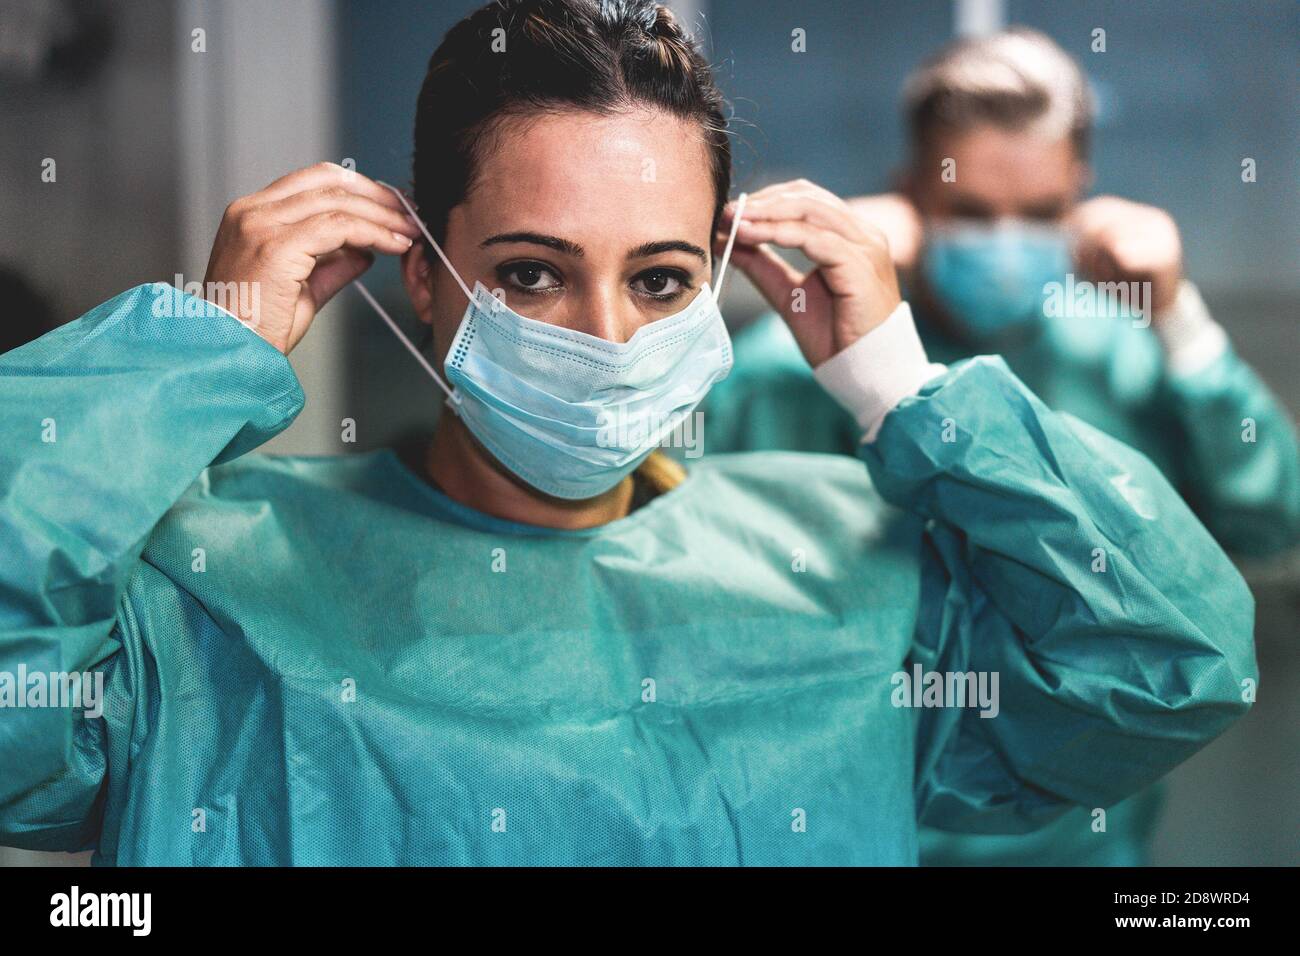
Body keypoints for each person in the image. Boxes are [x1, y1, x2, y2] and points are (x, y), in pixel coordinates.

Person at [0, 0, 1255, 866]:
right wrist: (199, 348)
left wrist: (904, 387)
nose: (605, 336)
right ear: (423, 274)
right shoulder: (211, 586)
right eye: (533, 275)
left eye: (658, 278)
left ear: (717, 279)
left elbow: (1167, 662)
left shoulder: (842, 573)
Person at [700, 28, 1297, 865]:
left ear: (1081, 198)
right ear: (912, 197)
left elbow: (1276, 524)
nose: (1007, 240)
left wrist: (1179, 320)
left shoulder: (1122, 355)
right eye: (972, 214)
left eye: (1041, 214)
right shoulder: (789, 373)